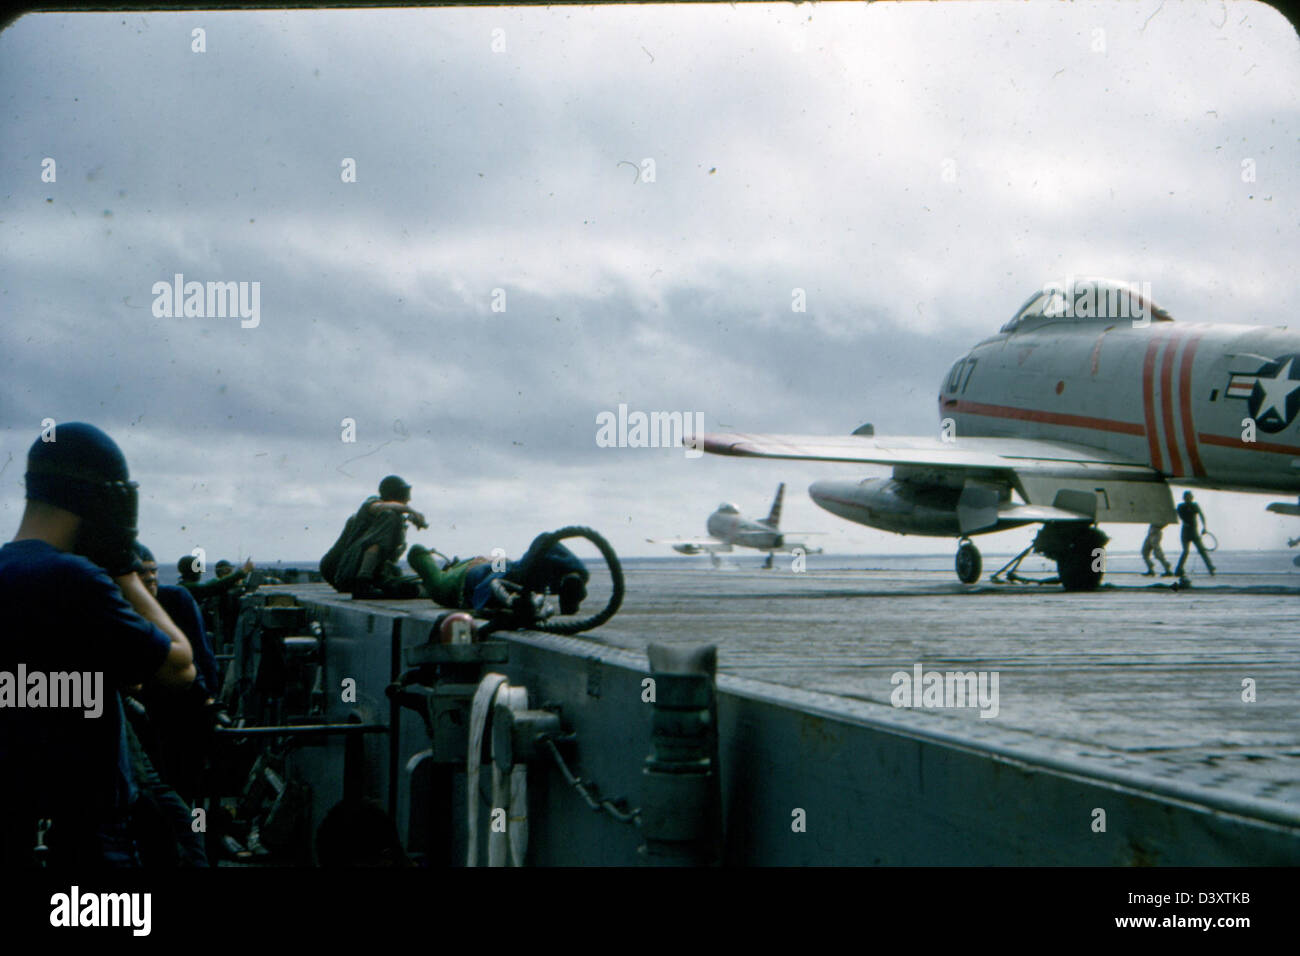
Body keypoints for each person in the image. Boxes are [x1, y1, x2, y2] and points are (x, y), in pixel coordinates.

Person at [0, 422, 196, 867]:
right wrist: (124, 569)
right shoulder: (75, 579)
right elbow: (181, 668)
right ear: (105, 499)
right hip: (85, 835)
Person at [408, 532, 589, 614]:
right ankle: (574, 577)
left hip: (503, 573)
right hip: (492, 581)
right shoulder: (443, 585)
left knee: (543, 550)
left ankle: (569, 582)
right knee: (545, 541)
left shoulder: (447, 581)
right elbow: (416, 551)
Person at [321, 475, 427, 599]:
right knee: (390, 516)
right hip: (342, 571)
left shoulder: (394, 520)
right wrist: (409, 510)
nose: (407, 501)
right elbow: (380, 508)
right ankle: (363, 583)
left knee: (407, 587)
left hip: (352, 571)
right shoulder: (374, 506)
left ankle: (366, 582)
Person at [1174, 491, 1216, 577]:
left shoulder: (1194, 505)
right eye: (1186, 497)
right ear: (1184, 498)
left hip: (1194, 532)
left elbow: (1201, 516)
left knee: (1202, 551)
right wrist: (1182, 521)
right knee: (1185, 551)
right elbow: (1175, 514)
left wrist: (1204, 527)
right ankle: (1179, 569)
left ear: (1192, 498)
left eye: (1189, 497)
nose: (1188, 499)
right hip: (1185, 532)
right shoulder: (1180, 506)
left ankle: (1210, 568)